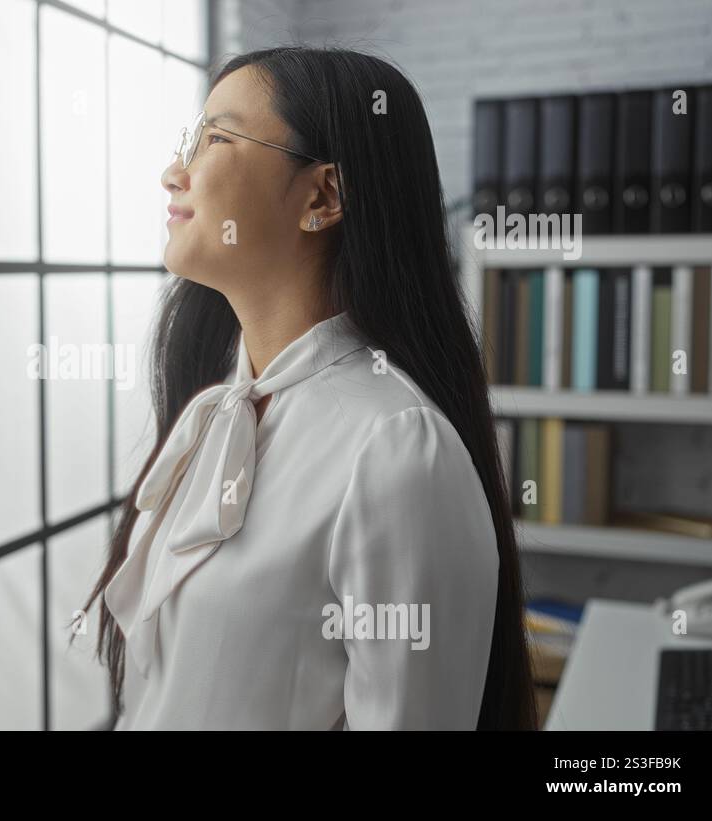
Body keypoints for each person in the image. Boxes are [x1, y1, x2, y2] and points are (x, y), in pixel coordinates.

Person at [77, 45, 537, 730]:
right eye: (189, 140)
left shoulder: (396, 449)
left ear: (322, 196)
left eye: (216, 139)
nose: (175, 171)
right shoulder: (214, 411)